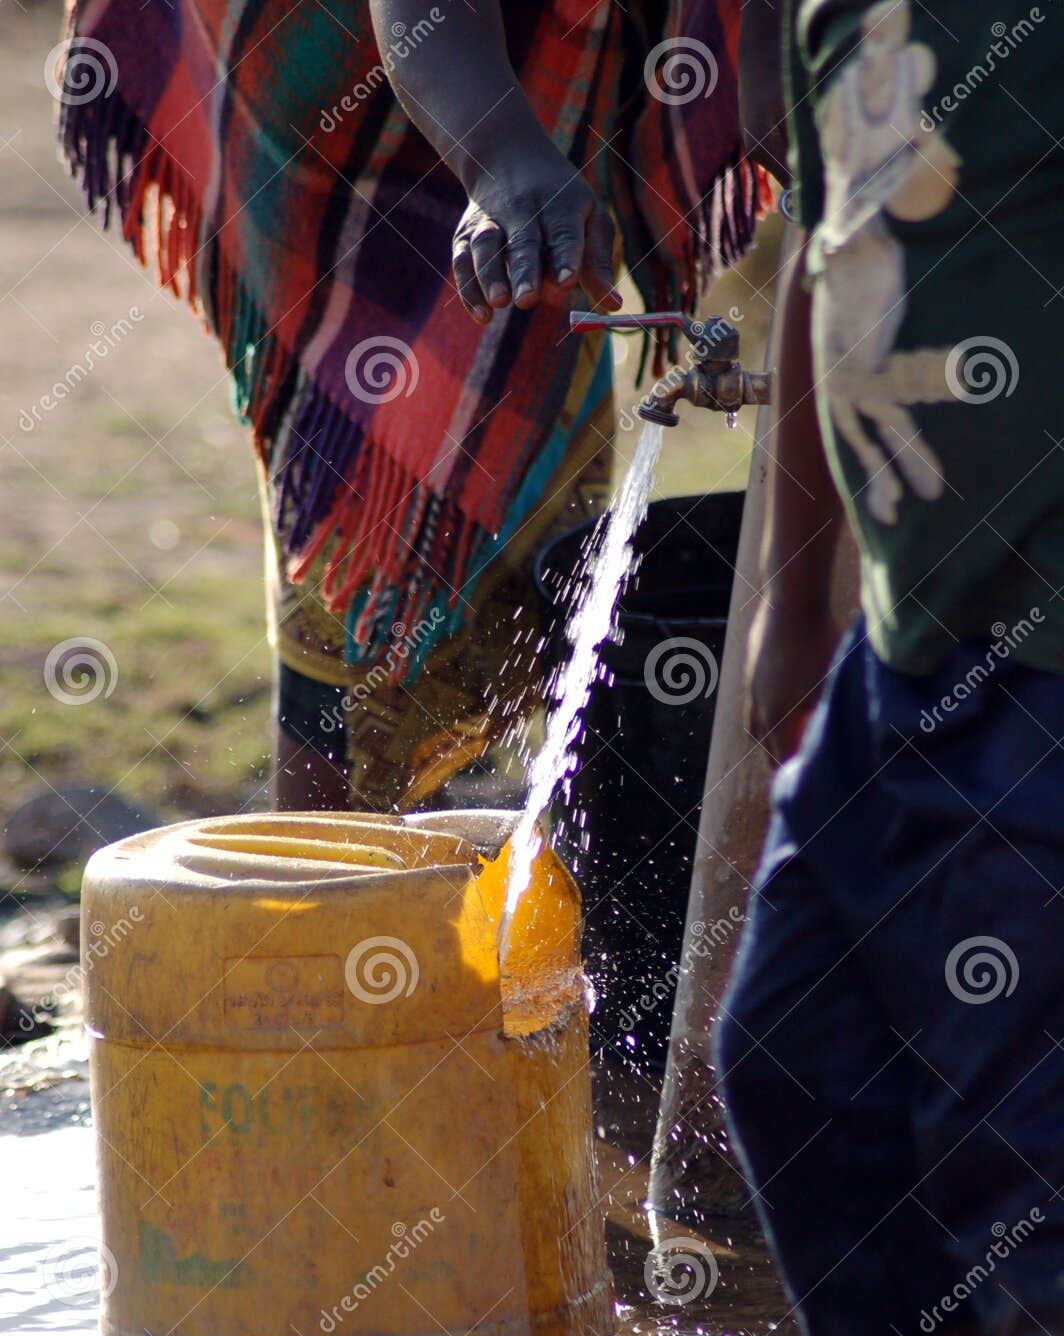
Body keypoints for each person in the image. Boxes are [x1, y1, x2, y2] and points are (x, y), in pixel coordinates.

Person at [57, 0, 766, 813]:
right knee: (369, 472)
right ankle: (328, 866)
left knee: (534, 354)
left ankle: (432, 839)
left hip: (544, 68)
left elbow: (792, 62)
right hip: (330, 66)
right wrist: (502, 154)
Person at [716, 0, 1064, 1336]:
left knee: (1022, 1146)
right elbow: (820, 256)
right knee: (794, 1059)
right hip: (902, 640)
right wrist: (797, 600)